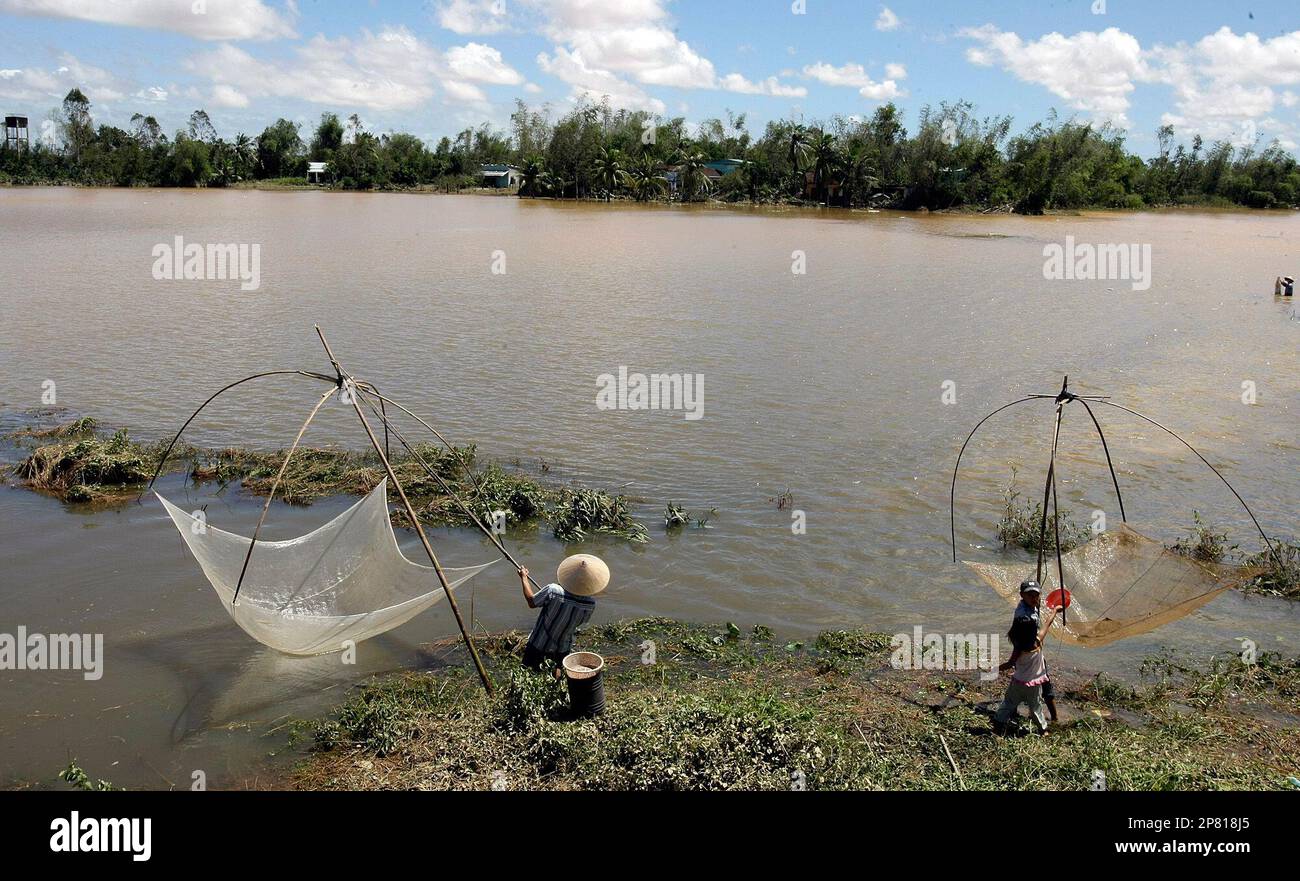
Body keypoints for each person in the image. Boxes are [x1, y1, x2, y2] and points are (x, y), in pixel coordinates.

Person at [518, 554, 609, 675]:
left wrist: (524, 577)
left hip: (539, 643)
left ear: (569, 575)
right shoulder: (590, 604)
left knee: (525, 673)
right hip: (562, 648)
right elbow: (581, 622)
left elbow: (531, 601)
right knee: (556, 675)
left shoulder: (553, 590)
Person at [993, 578, 1059, 735]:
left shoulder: (1018, 647)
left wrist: (993, 669)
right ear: (1022, 595)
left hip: (1019, 681)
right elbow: (1046, 626)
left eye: (1036, 595)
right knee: (1035, 707)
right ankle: (1043, 730)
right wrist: (1055, 610)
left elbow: (1009, 664)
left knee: (1008, 702)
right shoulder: (1036, 646)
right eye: (1030, 595)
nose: (1034, 598)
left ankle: (998, 725)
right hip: (1034, 683)